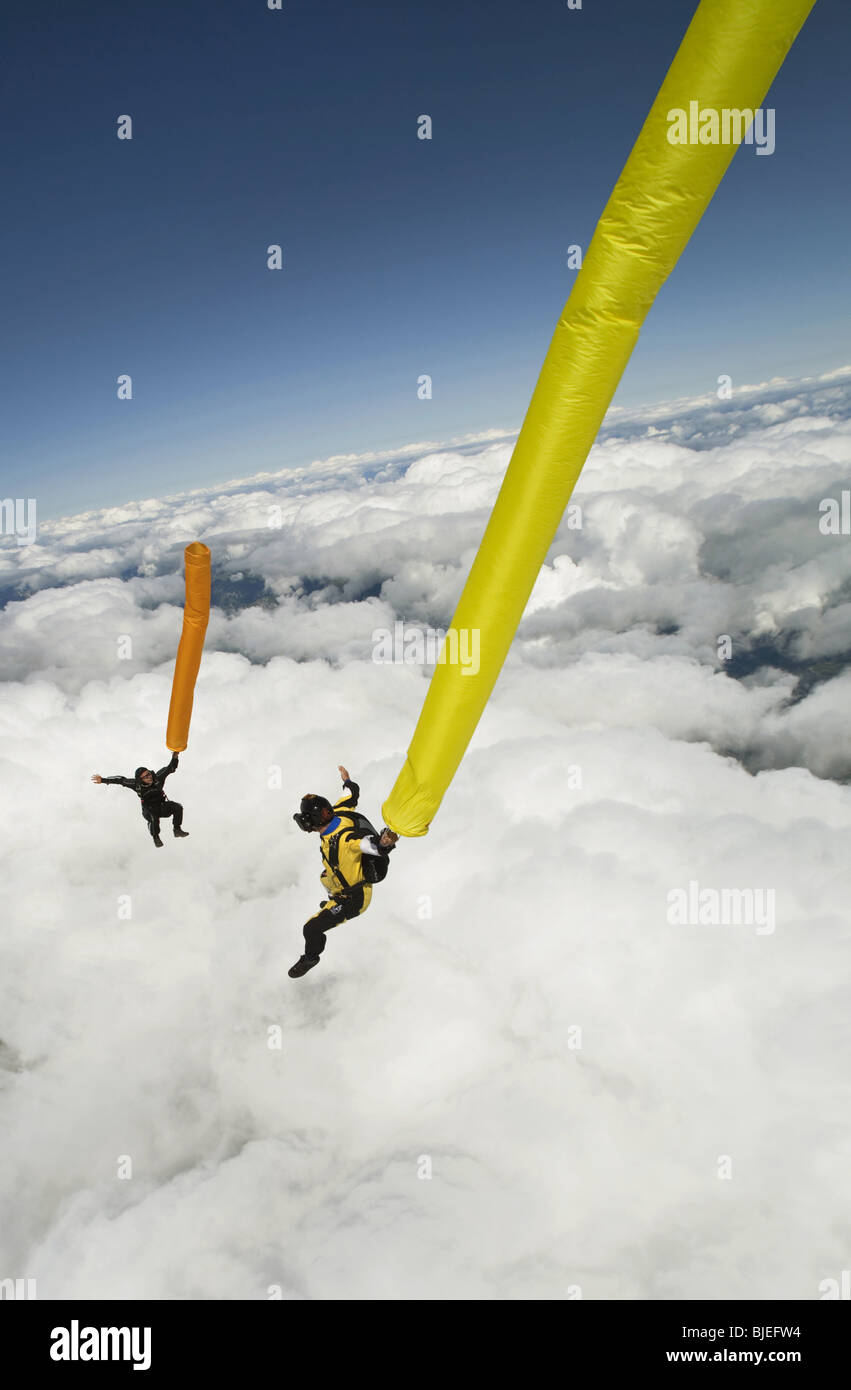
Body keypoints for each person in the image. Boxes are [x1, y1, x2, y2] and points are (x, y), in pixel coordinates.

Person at [289, 764, 398, 978]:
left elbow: (369, 845)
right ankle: (332, 900)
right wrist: (347, 781)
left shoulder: (345, 840)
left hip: (355, 898)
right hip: (338, 880)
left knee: (310, 929)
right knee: (324, 877)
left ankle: (311, 958)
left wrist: (384, 843)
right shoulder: (340, 811)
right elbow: (351, 795)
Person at [91, 754, 189, 847]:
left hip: (161, 805)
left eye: (149, 774)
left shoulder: (158, 777)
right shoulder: (135, 784)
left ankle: (177, 830)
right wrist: (103, 780)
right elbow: (120, 780)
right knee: (154, 819)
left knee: (178, 807)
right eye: (145, 777)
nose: (149, 777)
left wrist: (175, 756)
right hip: (149, 810)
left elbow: (170, 768)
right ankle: (156, 837)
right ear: (140, 779)